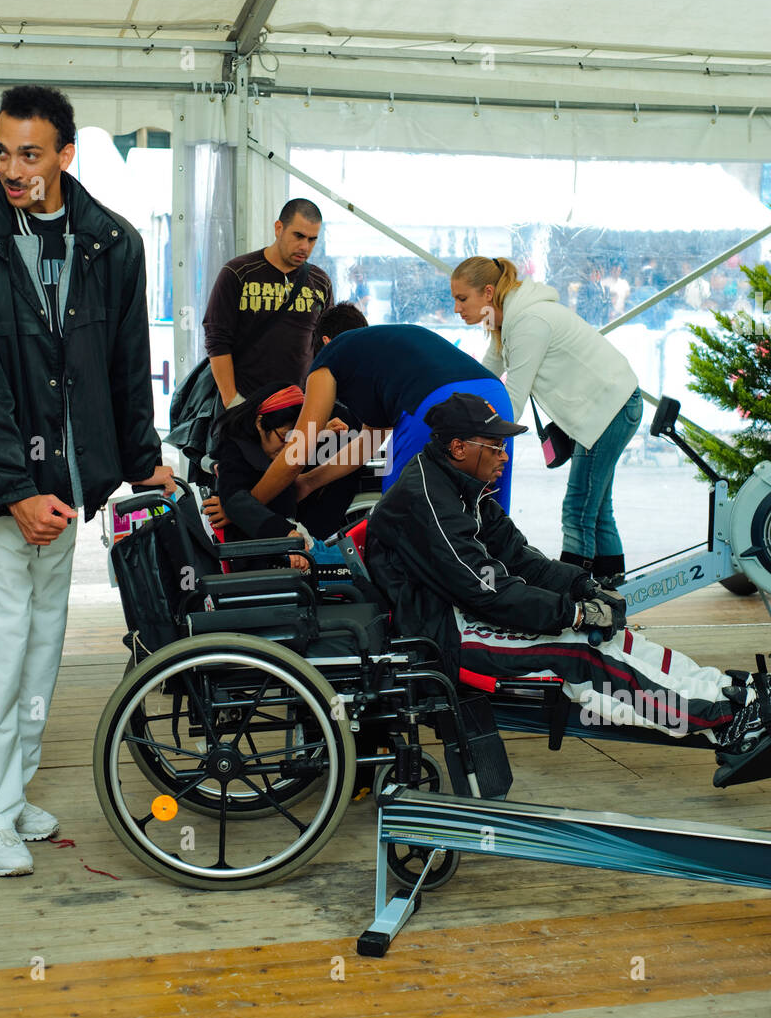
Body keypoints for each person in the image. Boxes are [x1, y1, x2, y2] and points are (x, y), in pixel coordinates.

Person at [0, 84, 175, 877]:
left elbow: (124, 364)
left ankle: (13, 792)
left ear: (66, 155)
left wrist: (141, 459)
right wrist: (12, 488)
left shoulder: (112, 242)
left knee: (39, 651)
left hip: (67, 490)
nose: (12, 168)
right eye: (1, 151)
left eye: (29, 153)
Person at [365, 393, 771, 790]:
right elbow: (488, 591)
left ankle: (731, 693)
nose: (504, 456)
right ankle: (724, 720)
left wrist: (585, 587)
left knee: (616, 637)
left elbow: (522, 560)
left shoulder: (462, 487)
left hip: (466, 612)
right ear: (458, 447)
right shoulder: (428, 500)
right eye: (495, 446)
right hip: (444, 635)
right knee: (580, 652)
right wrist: (574, 613)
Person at [450, 255, 642, 585]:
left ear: (488, 292)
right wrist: (453, 408)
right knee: (596, 511)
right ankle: (613, 590)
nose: (456, 308)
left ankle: (573, 593)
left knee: (578, 508)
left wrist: (468, 434)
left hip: (610, 408)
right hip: (611, 405)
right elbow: (485, 378)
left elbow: (511, 403)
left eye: (462, 298)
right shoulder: (506, 321)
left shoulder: (528, 322)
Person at [249, 307, 516, 515]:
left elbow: (299, 449)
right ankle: (494, 580)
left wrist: (246, 505)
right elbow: (368, 443)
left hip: (437, 403)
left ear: (326, 341)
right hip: (495, 398)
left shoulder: (329, 357)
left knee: (399, 518)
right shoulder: (384, 354)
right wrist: (308, 482)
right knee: (489, 514)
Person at [202, 198, 333, 408]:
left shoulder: (320, 281)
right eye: (298, 236)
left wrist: (317, 404)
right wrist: (232, 402)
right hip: (246, 404)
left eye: (312, 239)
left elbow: (326, 347)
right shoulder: (238, 273)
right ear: (278, 228)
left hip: (298, 407)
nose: (304, 246)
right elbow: (217, 339)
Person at [209, 384, 310, 568]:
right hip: (258, 559)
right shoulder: (234, 449)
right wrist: (285, 533)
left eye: (294, 442)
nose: (287, 449)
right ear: (260, 423)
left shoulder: (266, 448)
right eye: (283, 438)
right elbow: (235, 499)